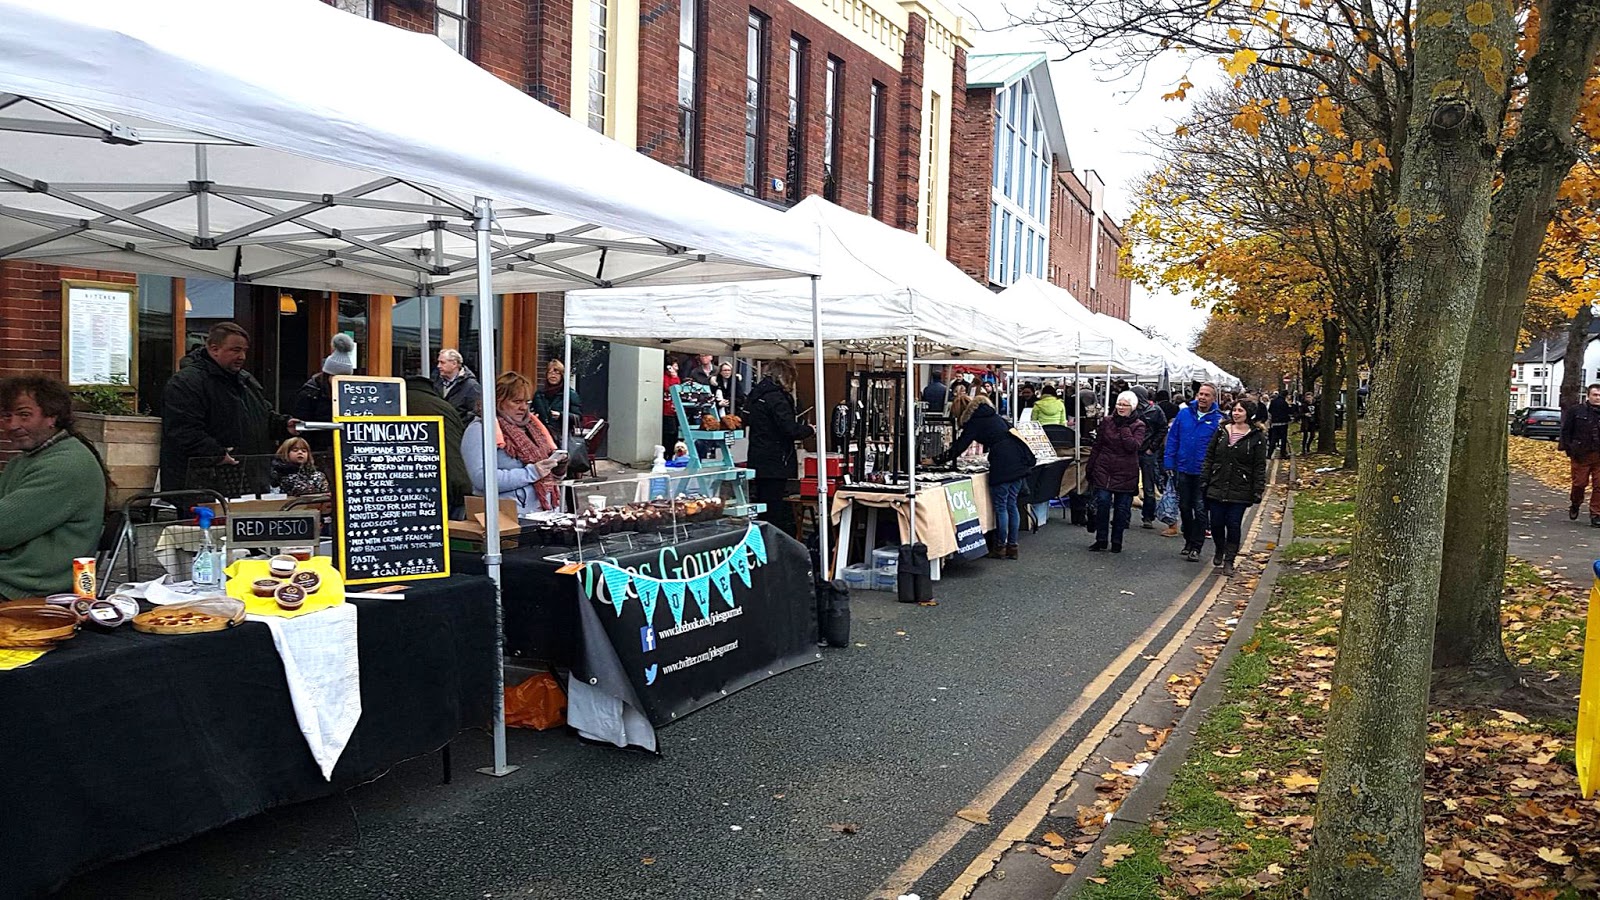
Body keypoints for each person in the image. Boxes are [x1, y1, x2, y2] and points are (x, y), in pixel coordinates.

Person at [0, 376, 108, 600]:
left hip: (25, 587)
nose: (12, 425)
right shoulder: (25, 460)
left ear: (52, 416)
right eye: (6, 416)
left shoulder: (66, 464)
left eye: (24, 415)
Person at [160, 322, 298, 496]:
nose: (242, 356)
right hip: (204, 485)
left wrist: (283, 425)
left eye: (244, 351)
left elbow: (262, 416)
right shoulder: (186, 383)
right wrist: (217, 455)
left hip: (248, 482)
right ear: (214, 349)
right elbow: (183, 430)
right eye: (235, 350)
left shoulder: (246, 381)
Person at [940, 395, 1036, 559]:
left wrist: (937, 459)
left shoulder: (975, 422)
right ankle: (1012, 546)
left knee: (1001, 506)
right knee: (1011, 504)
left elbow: (959, 446)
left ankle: (1000, 546)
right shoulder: (994, 416)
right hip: (1019, 460)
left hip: (1003, 462)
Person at [462, 372, 564, 514]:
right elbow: (481, 478)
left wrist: (558, 469)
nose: (523, 407)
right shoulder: (480, 429)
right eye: (517, 402)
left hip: (544, 513)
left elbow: (546, 474)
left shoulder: (532, 427)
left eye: (527, 402)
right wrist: (532, 473)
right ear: (499, 401)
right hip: (504, 516)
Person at [743, 360, 814, 535]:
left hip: (758, 455)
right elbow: (789, 428)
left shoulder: (756, 394)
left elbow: (746, 419)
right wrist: (809, 430)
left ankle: (762, 541)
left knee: (763, 504)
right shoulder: (776, 398)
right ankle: (775, 543)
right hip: (776, 459)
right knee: (775, 507)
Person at [1202, 400, 1269, 575]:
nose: (1236, 413)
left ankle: (1229, 560)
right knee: (1216, 523)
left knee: (1233, 524)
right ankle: (1219, 548)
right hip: (1217, 483)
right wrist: (1205, 477)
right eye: (1234, 410)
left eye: (1240, 410)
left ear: (1249, 414)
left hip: (1240, 487)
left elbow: (1259, 466)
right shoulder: (1222, 431)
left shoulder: (1257, 437)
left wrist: (1257, 489)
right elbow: (1210, 455)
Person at [1164, 383, 1224, 561]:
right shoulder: (1184, 414)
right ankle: (1188, 540)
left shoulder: (1218, 419)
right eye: (1201, 394)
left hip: (1204, 471)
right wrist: (1169, 461)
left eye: (1207, 395)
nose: (1202, 397)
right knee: (1184, 507)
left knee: (1200, 509)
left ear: (1213, 398)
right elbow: (1173, 438)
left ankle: (1196, 546)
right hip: (1183, 467)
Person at [1085, 391, 1147, 553]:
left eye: (1125, 405)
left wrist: (1124, 427)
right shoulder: (1106, 421)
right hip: (1104, 467)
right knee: (1103, 504)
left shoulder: (1139, 425)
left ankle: (1117, 541)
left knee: (1121, 509)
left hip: (1126, 471)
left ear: (1132, 407)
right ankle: (1101, 539)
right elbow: (1098, 445)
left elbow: (1133, 446)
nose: (1120, 407)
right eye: (1119, 404)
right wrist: (1090, 467)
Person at [405, 375, 472, 520]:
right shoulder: (443, 407)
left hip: (404, 493)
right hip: (446, 486)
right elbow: (455, 450)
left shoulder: (396, 403)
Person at [291, 333, 358, 451]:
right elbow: (300, 427)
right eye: (336, 377)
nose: (341, 381)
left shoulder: (354, 394)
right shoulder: (310, 393)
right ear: (327, 376)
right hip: (317, 450)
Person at [1559, 383, 1600, 525]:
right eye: (1595, 395)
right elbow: (1566, 430)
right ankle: (1575, 503)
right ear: (1588, 396)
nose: (1598, 398)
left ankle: (1596, 514)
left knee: (1599, 485)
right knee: (1579, 484)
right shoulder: (1576, 411)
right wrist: (1569, 449)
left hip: (1599, 455)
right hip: (1581, 455)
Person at [1132, 387, 1169, 529]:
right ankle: (1126, 516)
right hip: (1134, 451)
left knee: (1148, 486)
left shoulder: (1155, 411)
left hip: (1147, 452)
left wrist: (1152, 448)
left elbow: (1162, 429)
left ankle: (1148, 516)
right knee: (1129, 484)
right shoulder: (1134, 409)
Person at [434, 349, 482, 424]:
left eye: (442, 363)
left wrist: (458, 423)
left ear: (454, 364)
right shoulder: (436, 382)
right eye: (438, 362)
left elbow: (477, 412)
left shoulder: (471, 386)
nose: (438, 366)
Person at [1266, 391, 1294, 460]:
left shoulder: (1273, 401)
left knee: (1273, 439)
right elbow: (1289, 411)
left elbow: (1270, 411)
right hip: (1283, 423)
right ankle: (1283, 453)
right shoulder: (1285, 403)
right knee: (1283, 439)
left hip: (1275, 423)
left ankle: (1269, 454)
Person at [662, 360, 681, 450]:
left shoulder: (677, 378)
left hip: (676, 410)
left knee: (675, 432)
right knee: (669, 432)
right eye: (674, 366)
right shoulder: (665, 377)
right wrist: (673, 377)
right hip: (667, 409)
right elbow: (669, 388)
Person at [1298, 391, 1318, 455]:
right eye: (1307, 397)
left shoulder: (1316, 404)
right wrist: (1305, 414)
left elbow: (1318, 412)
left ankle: (1308, 446)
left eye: (1309, 397)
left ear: (1312, 397)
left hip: (1313, 421)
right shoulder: (1303, 405)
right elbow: (1299, 413)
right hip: (1306, 421)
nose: (1308, 399)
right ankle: (1304, 449)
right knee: (1305, 435)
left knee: (1312, 435)